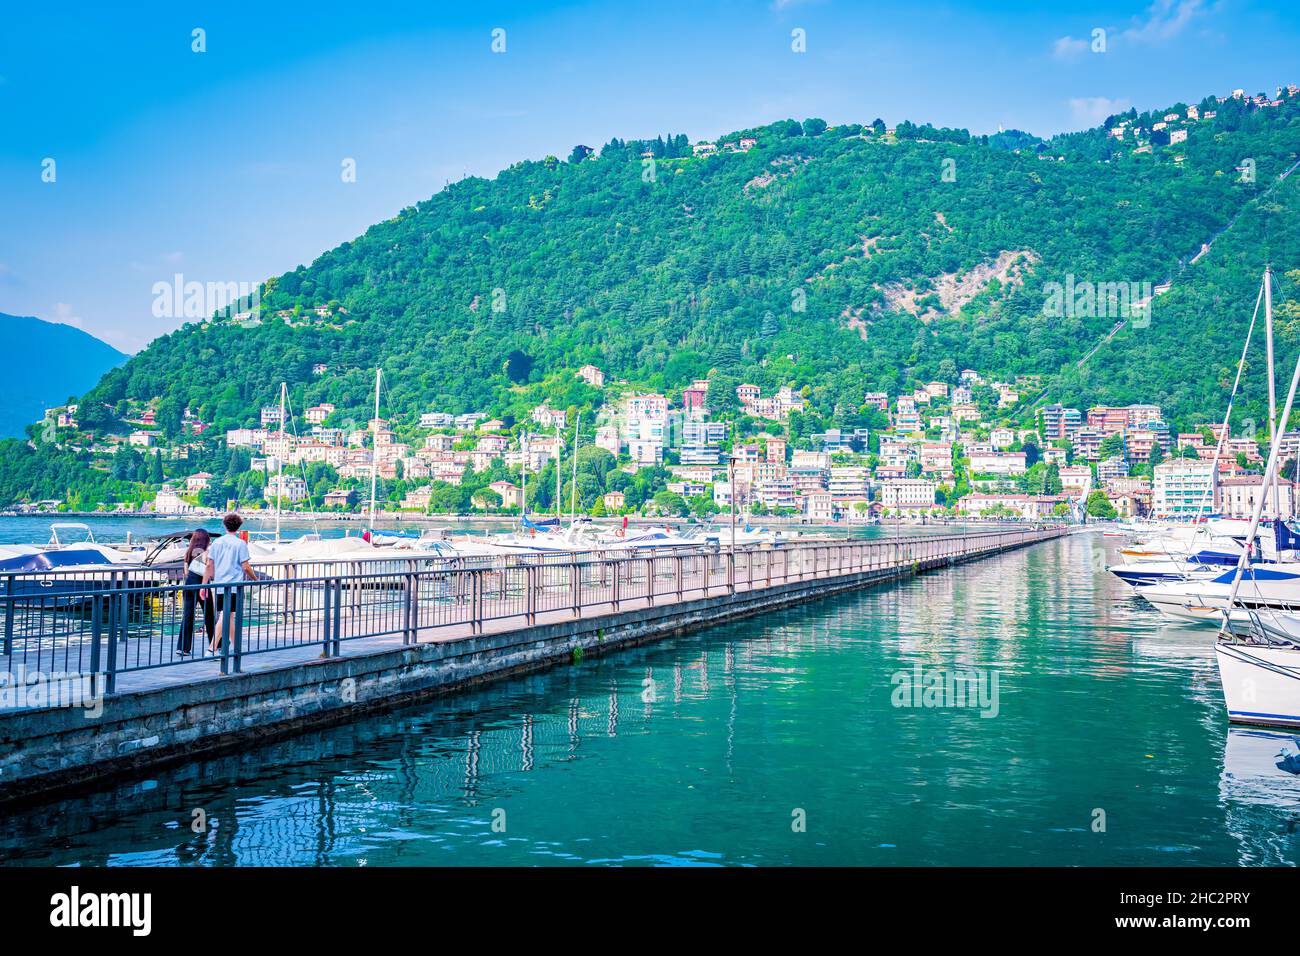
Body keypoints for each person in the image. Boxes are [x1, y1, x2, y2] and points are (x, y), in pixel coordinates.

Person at [201, 513, 255, 655]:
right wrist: (255, 579)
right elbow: (246, 566)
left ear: (225, 525)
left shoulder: (216, 543)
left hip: (219, 585)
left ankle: (236, 646)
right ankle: (211, 648)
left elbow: (209, 565)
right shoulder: (240, 544)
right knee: (225, 616)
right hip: (233, 585)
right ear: (239, 527)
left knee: (229, 615)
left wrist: (204, 584)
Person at [176, 528, 214, 656]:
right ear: (205, 540)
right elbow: (208, 569)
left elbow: (186, 571)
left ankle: (183, 647)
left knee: (187, 616)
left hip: (189, 584)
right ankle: (215, 645)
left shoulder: (188, 552)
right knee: (209, 616)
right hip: (202, 585)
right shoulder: (205, 552)